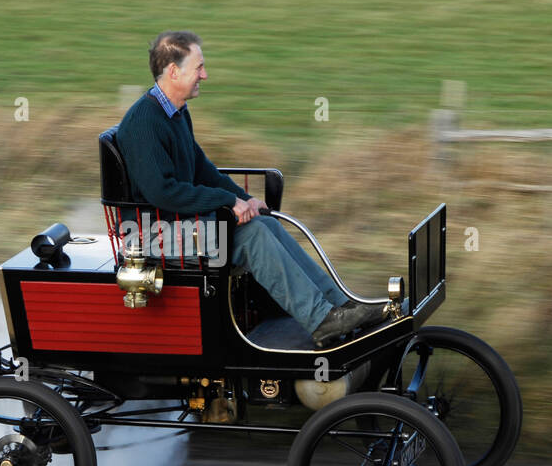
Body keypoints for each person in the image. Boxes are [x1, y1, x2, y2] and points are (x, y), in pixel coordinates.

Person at [114, 31, 388, 347]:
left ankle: (339, 305)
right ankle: (321, 320)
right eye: (199, 67)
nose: (205, 74)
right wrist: (228, 201)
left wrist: (245, 199)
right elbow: (163, 192)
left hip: (174, 223)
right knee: (253, 236)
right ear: (173, 71)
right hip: (152, 234)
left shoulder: (175, 113)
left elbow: (203, 169)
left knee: (266, 223)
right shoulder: (145, 122)